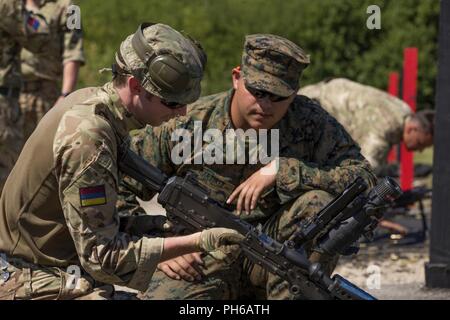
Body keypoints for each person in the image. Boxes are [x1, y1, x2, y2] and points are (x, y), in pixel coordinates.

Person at [120, 34, 377, 299]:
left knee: (318, 203)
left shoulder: (309, 123)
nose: (265, 105)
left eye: (278, 96)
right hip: (199, 258)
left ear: (294, 93)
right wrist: (155, 246)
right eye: (257, 91)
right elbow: (116, 182)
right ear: (236, 77)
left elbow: (365, 178)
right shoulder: (190, 124)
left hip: (277, 261)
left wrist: (284, 171)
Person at [0, 22, 243, 300]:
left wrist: (165, 228)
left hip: (51, 265)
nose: (182, 113)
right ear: (135, 85)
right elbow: (102, 257)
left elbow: (99, 222)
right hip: (27, 276)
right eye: (172, 103)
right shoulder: (89, 139)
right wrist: (196, 242)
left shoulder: (94, 103)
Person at [300, 78, 434, 174]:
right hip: (310, 109)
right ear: (413, 129)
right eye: (421, 143)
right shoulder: (388, 125)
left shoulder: (404, 110)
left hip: (318, 96)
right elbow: (365, 167)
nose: (421, 150)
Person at [0, 0, 50, 193]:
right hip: (4, 103)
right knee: (8, 174)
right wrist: (32, 11)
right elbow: (39, 36)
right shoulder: (8, 5)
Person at [19, 0, 85, 140]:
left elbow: (72, 53)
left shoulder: (69, 8)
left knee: (42, 155)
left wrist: (65, 96)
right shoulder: (9, 5)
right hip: (9, 96)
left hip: (45, 98)